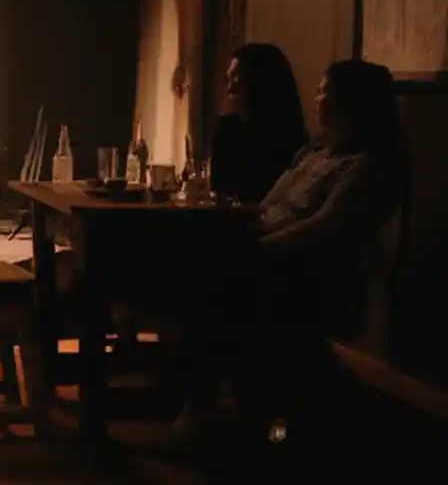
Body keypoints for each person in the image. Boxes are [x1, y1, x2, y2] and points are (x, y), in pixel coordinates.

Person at [174, 58, 407, 448]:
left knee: (217, 275)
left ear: (353, 105)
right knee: (190, 250)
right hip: (265, 246)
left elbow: (325, 228)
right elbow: (267, 205)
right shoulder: (314, 154)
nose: (317, 101)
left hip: (306, 268)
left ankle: (212, 403)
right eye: (317, 92)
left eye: (326, 93)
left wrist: (258, 248)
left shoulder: (368, 165)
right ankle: (199, 395)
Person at [210, 43, 309, 203]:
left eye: (237, 81)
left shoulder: (289, 139)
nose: (229, 90)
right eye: (228, 80)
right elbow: (219, 192)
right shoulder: (225, 129)